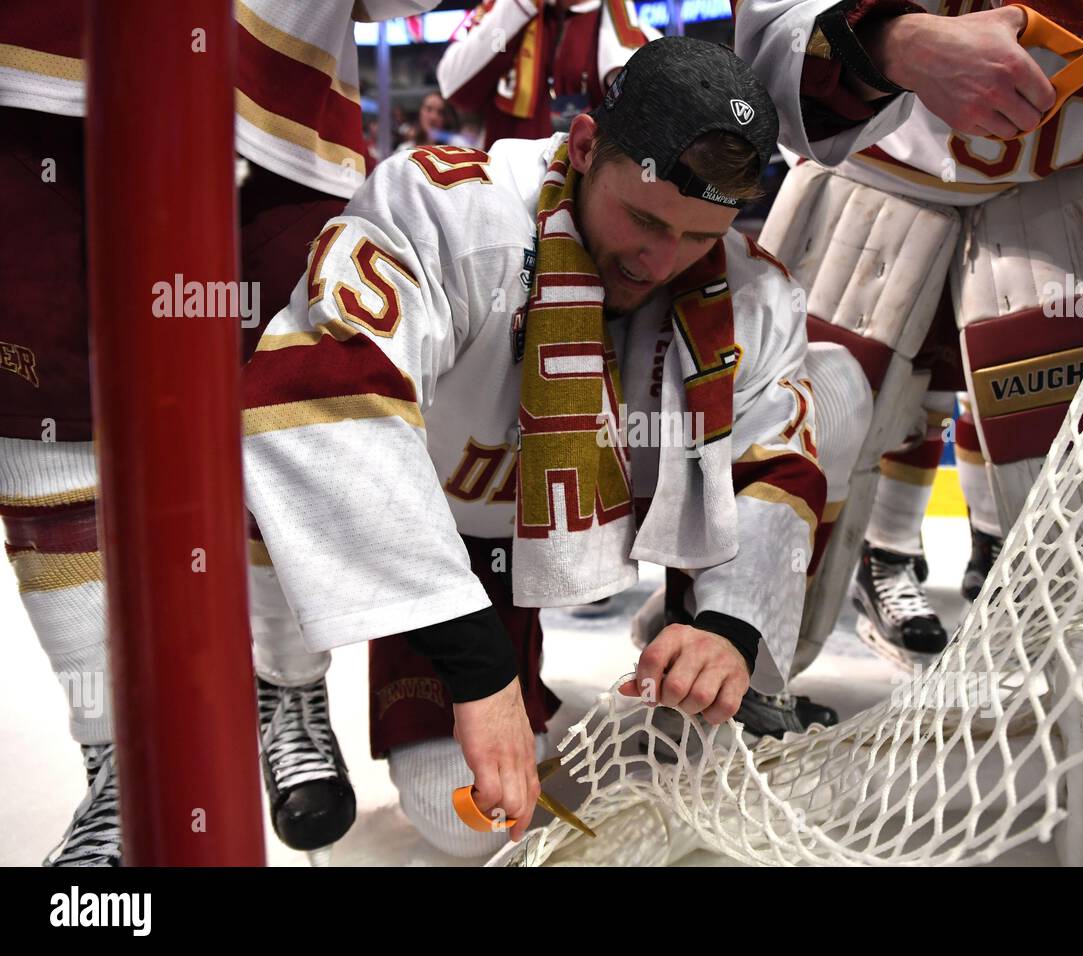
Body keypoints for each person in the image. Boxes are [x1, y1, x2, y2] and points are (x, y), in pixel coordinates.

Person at [240, 36, 871, 856]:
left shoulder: (744, 286)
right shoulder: (444, 212)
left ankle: (686, 633)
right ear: (581, 146)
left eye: (694, 236)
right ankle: (285, 679)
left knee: (838, 381)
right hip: (445, 547)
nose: (659, 259)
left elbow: (771, 459)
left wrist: (731, 625)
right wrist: (479, 669)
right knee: (463, 823)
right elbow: (319, 398)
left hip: (577, 519)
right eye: (643, 217)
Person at [0, 0, 440, 866]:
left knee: (283, 417)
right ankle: (117, 759)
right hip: (28, 74)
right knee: (39, 428)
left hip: (274, 104)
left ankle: (288, 687)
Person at [735, 0, 1083, 663]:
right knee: (791, 464)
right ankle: (743, 667)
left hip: (1076, 176)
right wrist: (892, 39)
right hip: (873, 173)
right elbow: (765, 35)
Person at [437, 0, 657, 150]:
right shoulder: (510, 10)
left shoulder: (635, 34)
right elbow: (454, 86)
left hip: (584, 198)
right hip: (508, 194)